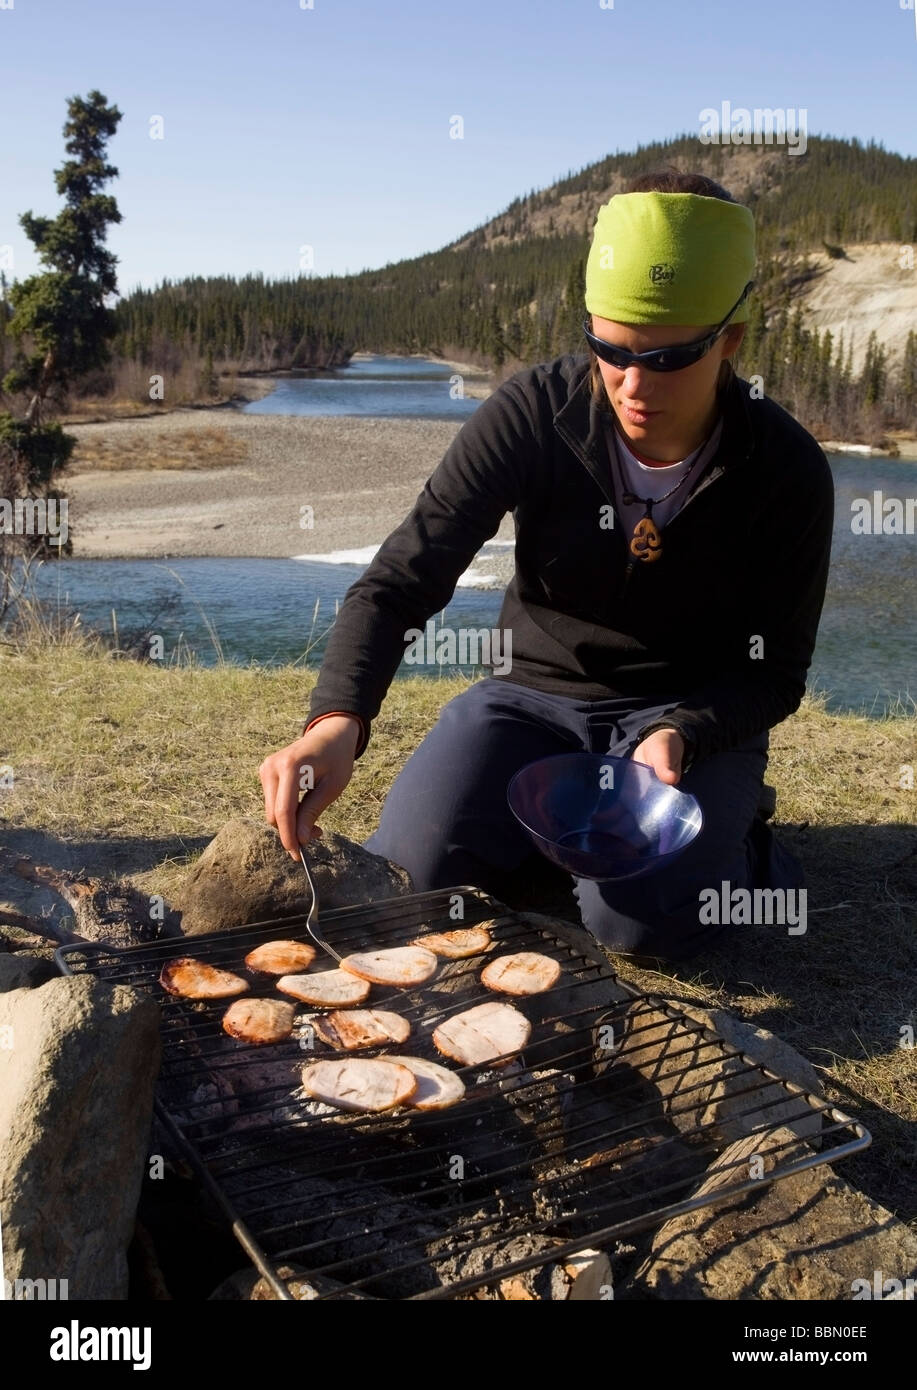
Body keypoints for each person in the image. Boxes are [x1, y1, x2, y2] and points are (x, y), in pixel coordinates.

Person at [258, 169, 835, 961]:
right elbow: (402, 580)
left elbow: (775, 672)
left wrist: (682, 733)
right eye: (610, 348)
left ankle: (743, 844)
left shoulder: (784, 466)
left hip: (683, 718)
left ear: (730, 339)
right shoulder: (533, 414)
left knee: (640, 928)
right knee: (414, 878)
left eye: (670, 357)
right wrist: (336, 722)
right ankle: (562, 839)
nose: (634, 386)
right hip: (528, 702)